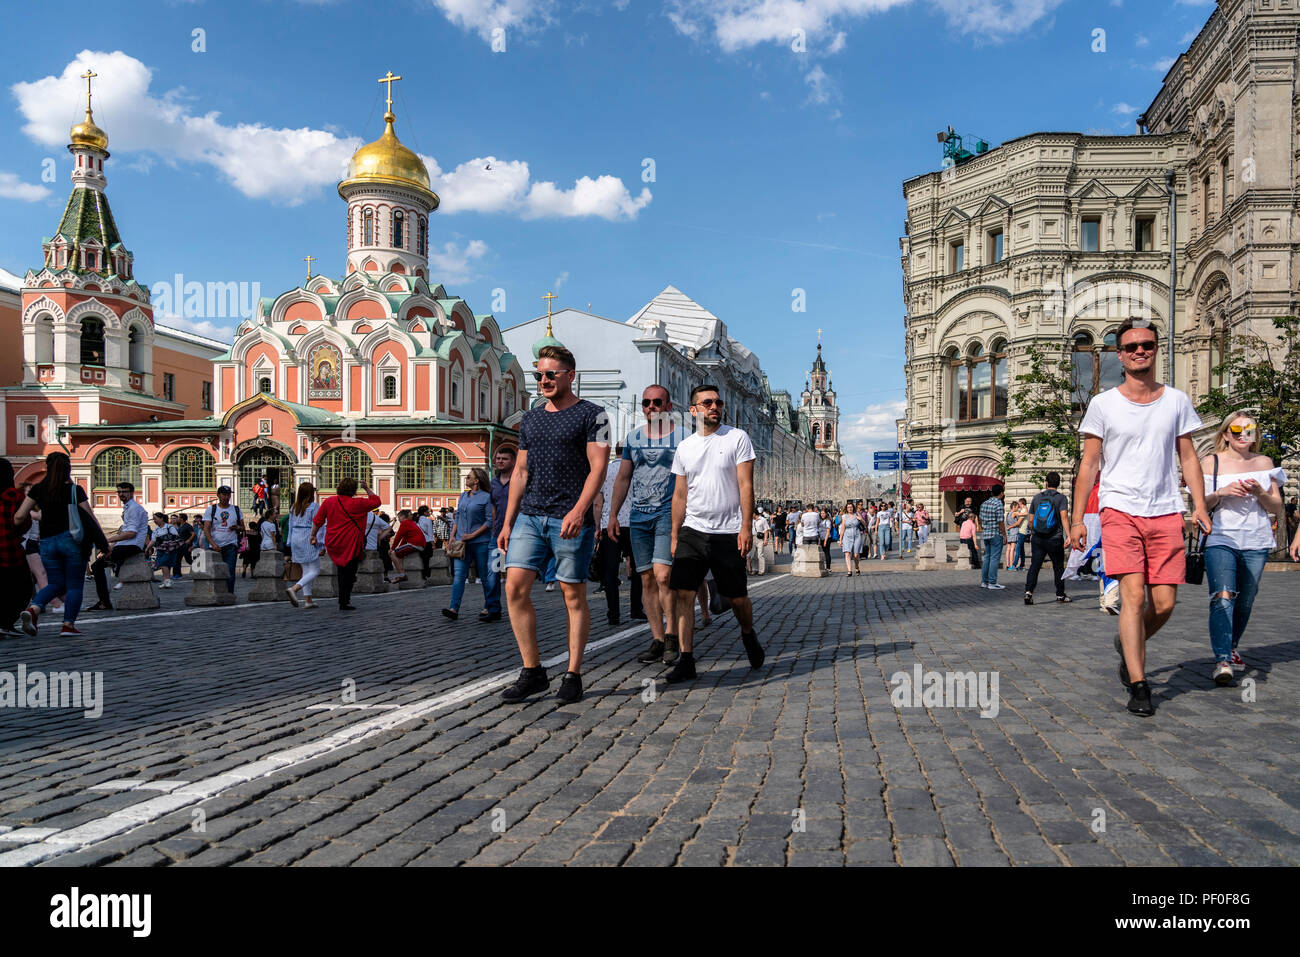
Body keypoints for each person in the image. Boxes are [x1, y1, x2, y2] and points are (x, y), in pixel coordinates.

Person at [1074, 317, 1211, 717]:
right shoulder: (1103, 404)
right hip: (1119, 510)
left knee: (1165, 603)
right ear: (1120, 354)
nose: (1139, 351)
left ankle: (1128, 642)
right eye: (1131, 346)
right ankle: (1139, 683)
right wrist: (1080, 519)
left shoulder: (1176, 401)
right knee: (1132, 598)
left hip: (1166, 510)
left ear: (1155, 349)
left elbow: (1188, 455)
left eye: (1147, 345)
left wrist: (1199, 503)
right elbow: (1089, 464)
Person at [497, 344, 609, 704]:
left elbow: (599, 468)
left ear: (570, 376)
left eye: (551, 374)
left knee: (572, 595)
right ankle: (532, 672)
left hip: (569, 516)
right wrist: (508, 520)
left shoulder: (596, 415)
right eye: (539, 375)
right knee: (514, 588)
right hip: (530, 514)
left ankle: (573, 675)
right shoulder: (530, 418)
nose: (544, 380)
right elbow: (521, 471)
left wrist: (579, 511)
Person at [663, 384, 764, 684]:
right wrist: (673, 534)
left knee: (737, 599)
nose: (715, 406)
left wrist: (746, 526)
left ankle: (748, 633)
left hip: (728, 531)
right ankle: (686, 659)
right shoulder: (685, 447)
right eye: (707, 402)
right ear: (693, 410)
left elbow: (746, 485)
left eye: (718, 402)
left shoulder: (737, 438)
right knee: (683, 594)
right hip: (693, 530)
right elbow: (680, 494)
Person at [1200, 413, 1285, 686]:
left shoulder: (1264, 463)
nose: (1241, 434)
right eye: (1235, 429)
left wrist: (1260, 492)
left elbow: (1276, 507)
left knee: (1245, 600)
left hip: (1256, 540)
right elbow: (1200, 504)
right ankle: (1222, 659)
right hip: (1222, 537)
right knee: (1223, 596)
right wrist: (1221, 493)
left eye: (1248, 429)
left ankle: (1232, 645)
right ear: (1225, 433)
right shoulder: (1211, 462)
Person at [609, 384, 687, 659]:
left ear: (668, 407)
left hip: (667, 514)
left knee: (664, 576)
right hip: (639, 517)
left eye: (657, 402)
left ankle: (671, 636)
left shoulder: (683, 438)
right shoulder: (633, 438)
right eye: (646, 403)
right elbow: (623, 478)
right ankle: (656, 638)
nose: (651, 407)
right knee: (646, 579)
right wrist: (613, 514)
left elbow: (692, 477)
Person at [18, 451, 108, 637]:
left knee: (56, 583)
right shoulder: (75, 490)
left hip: (47, 542)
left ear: (47, 468)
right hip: (72, 541)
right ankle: (68, 625)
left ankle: (34, 608)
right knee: (74, 585)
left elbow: (19, 516)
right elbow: (89, 517)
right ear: (68, 468)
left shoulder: (38, 489)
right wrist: (102, 542)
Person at [312, 477, 380, 611]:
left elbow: (318, 520)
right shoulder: (358, 503)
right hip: (351, 543)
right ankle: (344, 600)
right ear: (354, 490)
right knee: (348, 572)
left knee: (342, 571)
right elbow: (376, 501)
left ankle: (344, 599)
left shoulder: (329, 501)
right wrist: (366, 488)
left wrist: (312, 535)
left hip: (333, 541)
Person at [443, 467, 498, 621]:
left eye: (469, 477)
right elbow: (458, 517)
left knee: (485, 576)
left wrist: (473, 534)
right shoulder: (463, 496)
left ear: (477, 480)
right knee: (459, 576)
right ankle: (454, 608)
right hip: (461, 542)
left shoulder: (487, 497)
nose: (466, 479)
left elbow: (489, 521)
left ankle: (489, 606)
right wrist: (453, 536)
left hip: (481, 542)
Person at [89, 482, 150, 610]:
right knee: (99, 565)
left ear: (132, 493)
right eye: (119, 492)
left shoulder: (133, 508)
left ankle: (104, 602)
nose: (121, 494)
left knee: (97, 566)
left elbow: (131, 534)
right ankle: (105, 599)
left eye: (125, 491)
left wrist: (108, 541)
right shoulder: (129, 508)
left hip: (132, 546)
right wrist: (113, 545)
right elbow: (125, 532)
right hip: (126, 545)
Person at [595, 445, 635, 626]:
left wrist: (597, 526)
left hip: (609, 524)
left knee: (610, 572)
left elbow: (598, 503)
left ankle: (614, 613)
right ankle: (636, 608)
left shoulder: (605, 471)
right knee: (638, 570)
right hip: (633, 523)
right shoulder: (633, 469)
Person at [1023, 472, 1071, 605]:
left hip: (1038, 538)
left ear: (1046, 483)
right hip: (1054, 538)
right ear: (1059, 483)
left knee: (1035, 566)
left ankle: (1028, 592)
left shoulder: (1037, 498)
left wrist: (1034, 532)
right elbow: (1064, 517)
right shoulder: (1061, 498)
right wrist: (1068, 535)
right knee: (1058, 567)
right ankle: (1060, 595)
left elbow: (1031, 520)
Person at [0, 459, 32, 636]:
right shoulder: (14, 495)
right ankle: (6, 623)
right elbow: (23, 522)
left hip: (8, 549)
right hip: (10, 550)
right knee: (23, 589)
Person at [486, 447, 516, 623]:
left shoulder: (520, 480)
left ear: (512, 461)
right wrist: (492, 527)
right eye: (498, 458)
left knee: (515, 573)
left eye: (504, 458)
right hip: (497, 536)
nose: (500, 461)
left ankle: (516, 608)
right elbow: (493, 507)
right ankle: (493, 608)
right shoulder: (493, 484)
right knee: (492, 572)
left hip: (518, 534)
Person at [285, 483, 322, 609]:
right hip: (308, 536)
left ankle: (308, 600)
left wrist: (289, 541)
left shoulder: (293, 507)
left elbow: (290, 525)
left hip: (296, 537)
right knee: (315, 569)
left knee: (306, 570)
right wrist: (321, 542)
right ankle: (295, 588)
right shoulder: (314, 506)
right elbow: (319, 524)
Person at [202, 486, 245, 594]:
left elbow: (243, 527)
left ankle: (229, 594)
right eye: (224, 494)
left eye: (228, 494)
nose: (226, 497)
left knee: (230, 571)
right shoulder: (211, 509)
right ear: (218, 495)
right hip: (214, 546)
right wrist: (213, 544)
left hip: (231, 544)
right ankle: (214, 593)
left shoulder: (236, 509)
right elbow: (206, 529)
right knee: (213, 571)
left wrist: (237, 528)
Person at [978, 486, 1007, 589]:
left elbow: (980, 519)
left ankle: (984, 582)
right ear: (1001, 493)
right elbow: (1000, 521)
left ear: (991, 493)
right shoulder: (998, 504)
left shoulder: (984, 503)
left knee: (987, 557)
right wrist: (1004, 535)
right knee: (994, 558)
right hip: (995, 534)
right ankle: (992, 582)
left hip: (986, 534)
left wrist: (984, 528)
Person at [388, 509, 425, 583]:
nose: (398, 519)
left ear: (403, 516)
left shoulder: (405, 523)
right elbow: (405, 538)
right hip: (420, 544)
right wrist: (398, 548)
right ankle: (402, 572)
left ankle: (401, 575)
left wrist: (392, 548)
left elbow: (398, 537)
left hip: (414, 544)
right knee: (399, 554)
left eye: (399, 517)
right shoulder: (411, 523)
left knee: (392, 553)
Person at [146, 512, 182, 588]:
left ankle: (167, 580)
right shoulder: (156, 530)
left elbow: (176, 536)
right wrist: (147, 548)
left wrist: (166, 540)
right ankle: (166, 581)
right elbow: (153, 540)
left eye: (155, 519)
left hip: (169, 549)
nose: (154, 520)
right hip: (160, 550)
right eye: (154, 519)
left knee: (163, 563)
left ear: (161, 519)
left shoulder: (169, 527)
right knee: (163, 565)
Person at [841, 502, 864, 576]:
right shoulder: (844, 517)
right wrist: (840, 539)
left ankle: (857, 567)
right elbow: (842, 528)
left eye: (851, 507)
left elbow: (865, 524)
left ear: (853, 508)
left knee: (856, 555)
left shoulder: (857, 515)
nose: (850, 508)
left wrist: (861, 519)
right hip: (847, 536)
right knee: (847, 553)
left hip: (857, 535)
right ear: (846, 509)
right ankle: (849, 571)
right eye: (848, 507)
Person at [416, 505, 437, 583]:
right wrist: (433, 544)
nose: (429, 512)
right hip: (427, 542)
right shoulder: (428, 521)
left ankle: (421, 575)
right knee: (427, 560)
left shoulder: (416, 520)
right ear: (425, 512)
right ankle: (427, 575)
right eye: (428, 511)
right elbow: (430, 534)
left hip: (419, 542)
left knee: (421, 559)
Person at [749, 509, 770, 575]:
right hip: (752, 538)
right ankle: (755, 569)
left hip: (760, 538)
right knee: (753, 555)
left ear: (754, 513)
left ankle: (761, 570)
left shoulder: (762, 519)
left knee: (760, 555)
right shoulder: (751, 520)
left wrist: (765, 540)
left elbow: (766, 530)